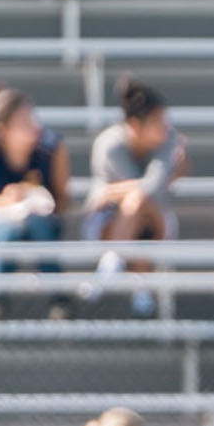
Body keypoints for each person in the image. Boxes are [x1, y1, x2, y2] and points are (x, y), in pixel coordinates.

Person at [0, 83, 71, 321]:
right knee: (9, 230)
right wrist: (4, 201)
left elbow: (63, 202)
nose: (33, 127)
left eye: (32, 119)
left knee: (39, 223)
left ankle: (59, 301)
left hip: (39, 228)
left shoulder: (52, 148)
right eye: (24, 122)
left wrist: (38, 199)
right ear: (3, 129)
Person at [85, 75, 189, 317]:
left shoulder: (168, 140)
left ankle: (115, 261)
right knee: (135, 204)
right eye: (157, 121)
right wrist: (159, 180)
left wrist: (112, 191)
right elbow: (151, 185)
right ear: (134, 124)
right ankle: (138, 283)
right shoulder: (110, 145)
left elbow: (149, 188)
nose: (164, 126)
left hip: (154, 219)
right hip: (107, 222)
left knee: (137, 202)